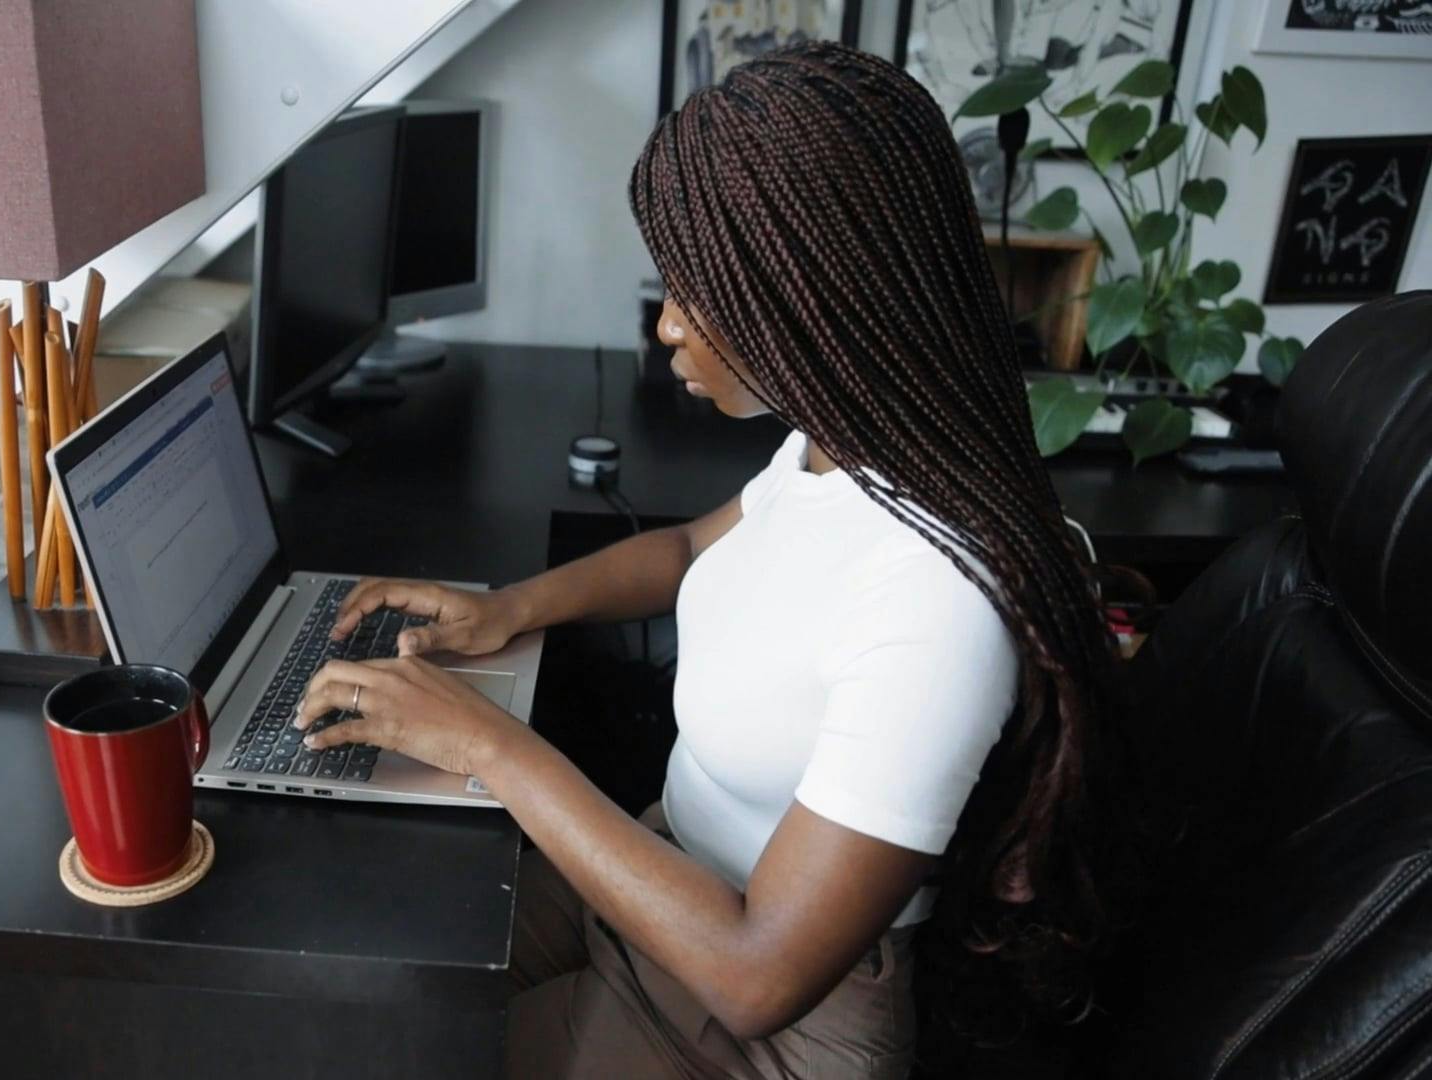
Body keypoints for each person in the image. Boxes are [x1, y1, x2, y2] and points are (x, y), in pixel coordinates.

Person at [293, 41, 1129, 1079]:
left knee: (391, 1050)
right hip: (664, 881)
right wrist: (507, 610)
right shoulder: (839, 449)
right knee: (341, 985)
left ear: (820, 292)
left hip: (761, 1021)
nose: (667, 327)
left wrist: (490, 747)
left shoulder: (935, 598)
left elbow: (759, 969)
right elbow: (692, 546)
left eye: (703, 290)